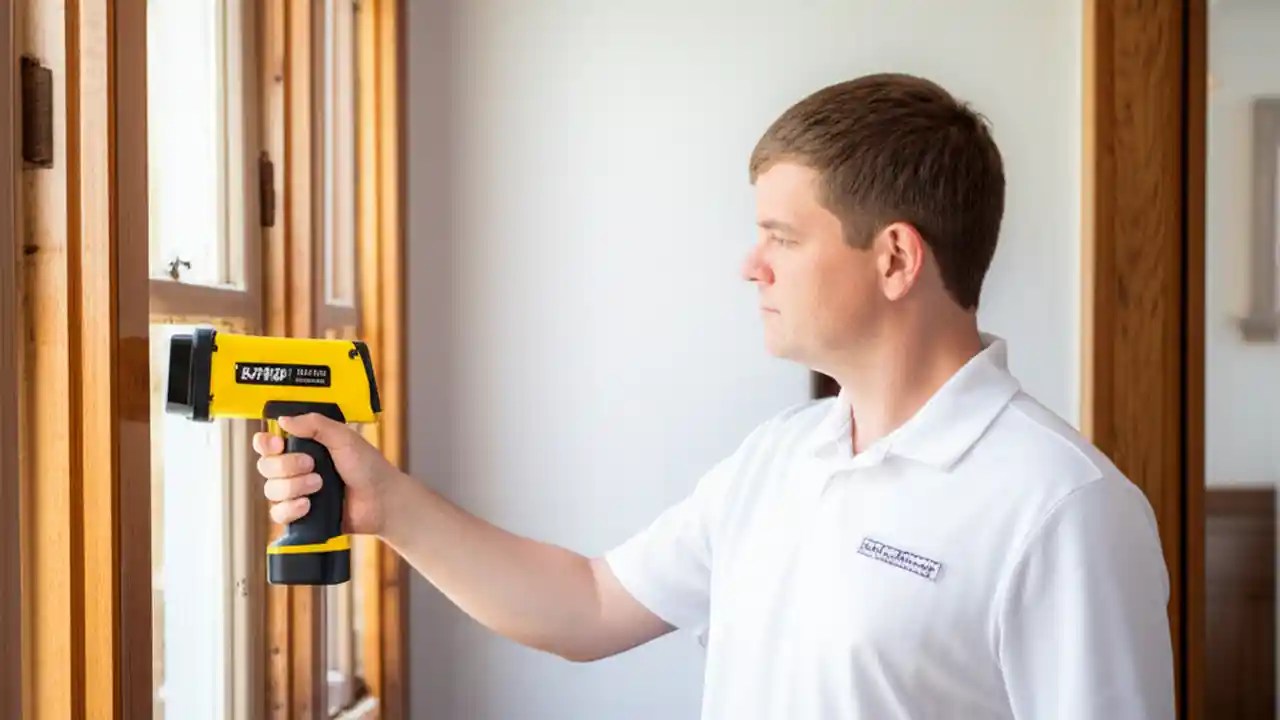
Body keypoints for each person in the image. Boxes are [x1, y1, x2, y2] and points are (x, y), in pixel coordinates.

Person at [254, 73, 1176, 719]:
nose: (751, 266)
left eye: (781, 235)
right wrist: (387, 504)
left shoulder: (1063, 509)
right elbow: (589, 605)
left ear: (895, 257)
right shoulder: (784, 456)